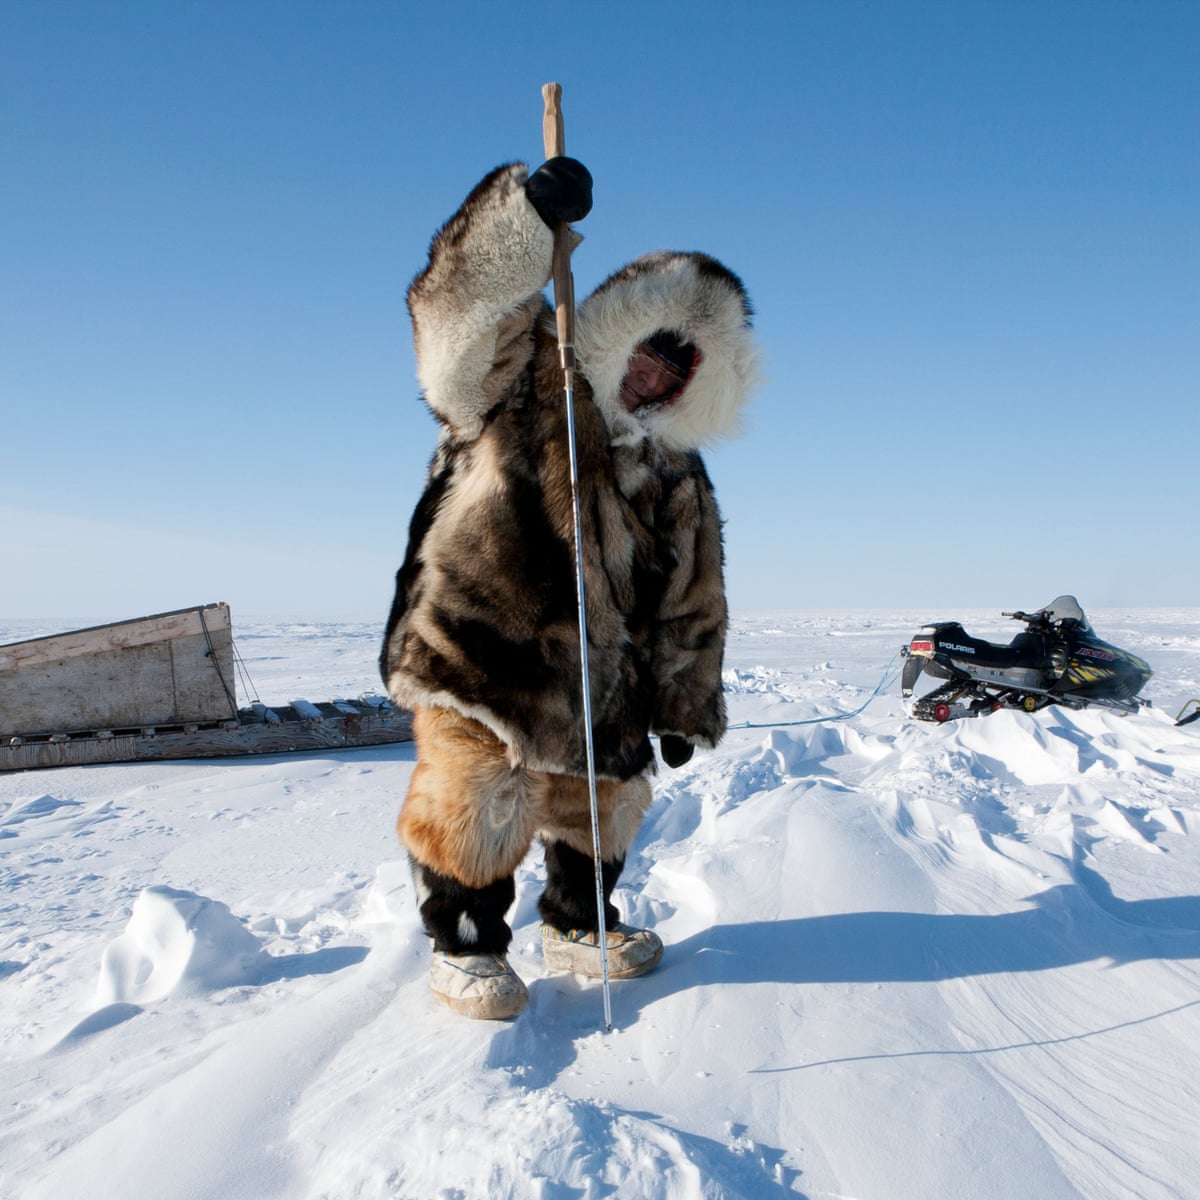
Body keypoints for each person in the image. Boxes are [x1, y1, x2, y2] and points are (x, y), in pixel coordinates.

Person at [380, 154, 759, 1019]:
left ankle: (579, 923)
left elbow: (692, 596)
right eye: (650, 350)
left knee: (604, 800)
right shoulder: (520, 387)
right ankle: (465, 944)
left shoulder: (675, 468)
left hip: (601, 674)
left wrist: (682, 698)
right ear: (618, 331)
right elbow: (453, 325)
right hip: (483, 648)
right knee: (479, 801)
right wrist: (521, 224)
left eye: (680, 367)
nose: (657, 376)